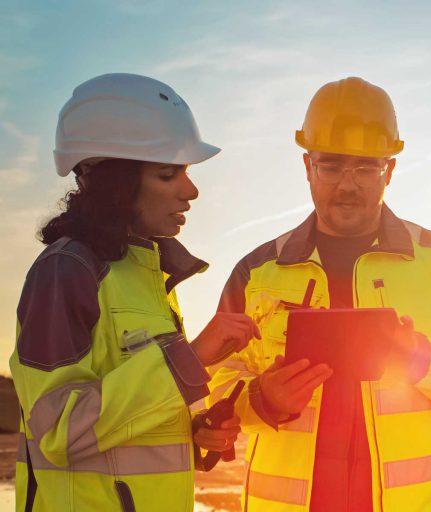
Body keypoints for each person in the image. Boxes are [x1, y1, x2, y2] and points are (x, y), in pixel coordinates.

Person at [209, 76, 431, 511]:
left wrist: (422, 356)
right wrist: (262, 401)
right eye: (331, 166)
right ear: (307, 167)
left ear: (390, 170)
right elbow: (212, 390)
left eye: (366, 167)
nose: (348, 184)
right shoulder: (256, 272)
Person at [9, 73, 256, 511]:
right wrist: (190, 359)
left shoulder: (148, 276)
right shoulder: (66, 271)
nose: (191, 190)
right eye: (168, 174)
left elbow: (130, 430)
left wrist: (195, 432)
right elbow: (57, 431)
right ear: (115, 183)